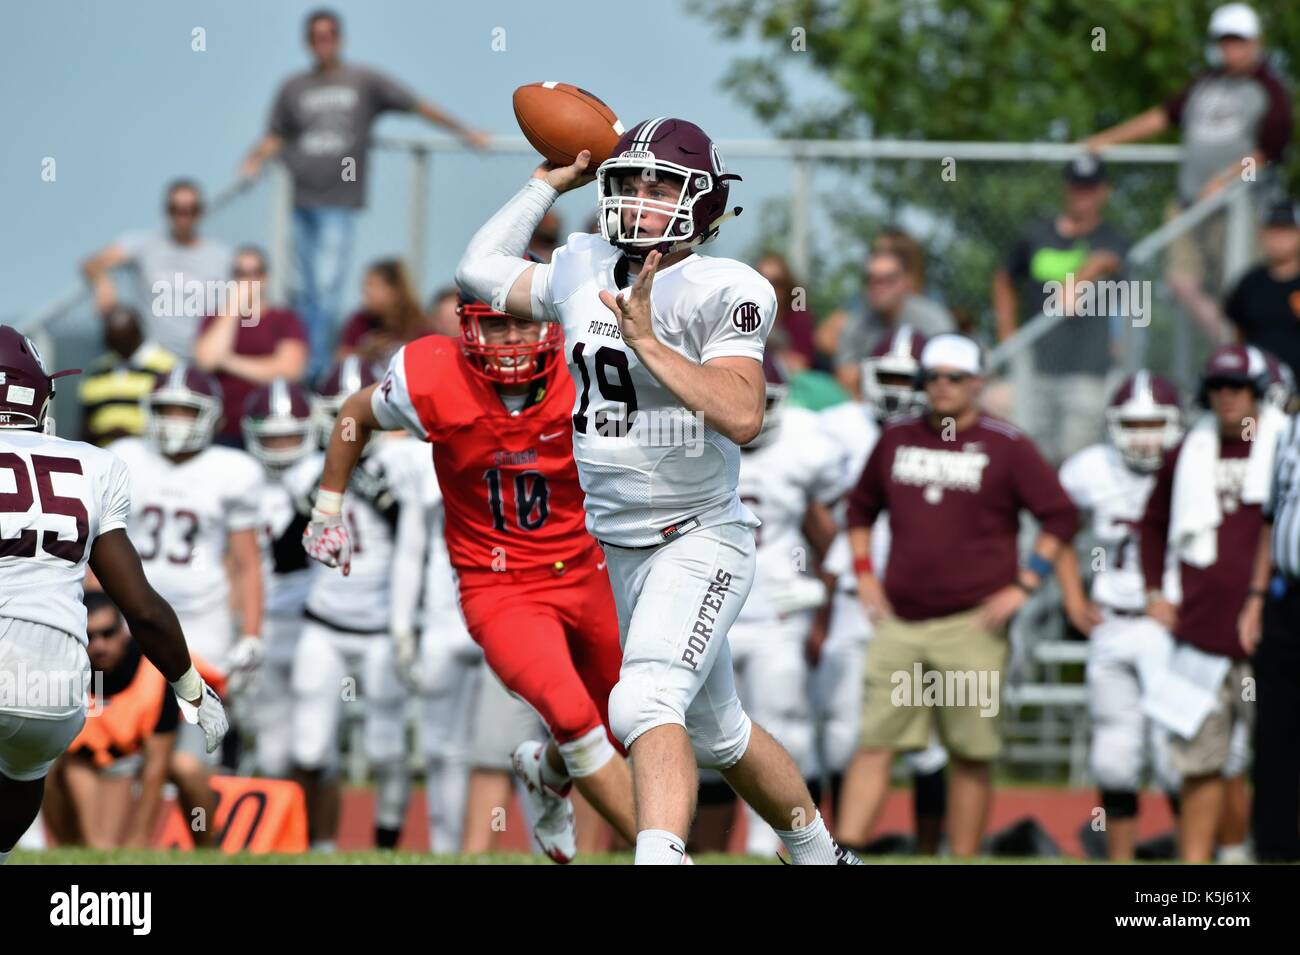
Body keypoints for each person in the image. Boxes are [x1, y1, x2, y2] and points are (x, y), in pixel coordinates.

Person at [455, 117, 859, 865]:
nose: (641, 198)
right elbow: (478, 271)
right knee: (722, 732)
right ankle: (821, 855)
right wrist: (544, 184)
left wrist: (648, 342)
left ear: (704, 201)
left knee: (642, 699)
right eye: (632, 181)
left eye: (662, 184)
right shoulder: (582, 264)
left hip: (701, 533)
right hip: (621, 544)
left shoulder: (727, 286)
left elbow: (741, 411)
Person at [303, 294, 638, 863]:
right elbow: (356, 414)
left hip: (586, 571)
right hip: (498, 584)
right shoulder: (433, 377)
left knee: (623, 720)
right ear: (467, 329)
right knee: (572, 715)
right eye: (496, 326)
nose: (510, 340)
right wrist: (327, 508)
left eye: (522, 324)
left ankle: (546, 772)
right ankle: (666, 856)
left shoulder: (592, 369)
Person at [839, 333, 1079, 857]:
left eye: (954, 377)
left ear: (978, 382)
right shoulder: (897, 437)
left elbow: (1061, 515)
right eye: (932, 376)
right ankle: (844, 853)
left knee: (970, 751)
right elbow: (859, 508)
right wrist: (864, 574)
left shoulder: (1005, 444)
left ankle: (963, 858)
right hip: (900, 621)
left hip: (974, 623)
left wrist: (1025, 584)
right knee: (876, 742)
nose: (941, 387)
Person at [0, 325, 227, 866]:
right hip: (53, 695)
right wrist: (190, 687)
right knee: (20, 774)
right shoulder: (93, 465)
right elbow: (142, 608)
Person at [239, 8, 489, 376]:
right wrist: (254, 160)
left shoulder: (363, 81)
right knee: (306, 291)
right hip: (300, 199)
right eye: (315, 37)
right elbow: (276, 134)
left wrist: (465, 132)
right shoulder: (294, 87)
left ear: (339, 39)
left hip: (338, 201)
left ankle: (315, 372)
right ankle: (310, 365)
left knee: (326, 288)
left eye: (328, 35)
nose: (322, 43)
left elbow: (415, 104)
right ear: (308, 42)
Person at [1140, 344, 1284, 862]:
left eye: (1238, 388)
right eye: (1218, 387)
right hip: (1199, 632)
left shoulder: (1284, 447)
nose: (1227, 398)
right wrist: (1154, 591)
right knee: (1200, 761)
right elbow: (1152, 523)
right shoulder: (1187, 451)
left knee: (1275, 760)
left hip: (1271, 633)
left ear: (1257, 393)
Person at [106, 366, 264, 822]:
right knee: (118, 752)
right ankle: (113, 845)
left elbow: (246, 562)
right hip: (129, 620)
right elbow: (99, 549)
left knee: (188, 758)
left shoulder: (232, 470)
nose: (175, 419)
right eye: (166, 409)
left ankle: (201, 843)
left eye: (186, 410)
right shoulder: (125, 458)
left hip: (202, 627)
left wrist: (250, 633)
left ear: (209, 416)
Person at [818, 326, 950, 855]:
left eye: (907, 378)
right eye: (887, 376)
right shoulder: (833, 428)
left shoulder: (944, 434)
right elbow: (813, 504)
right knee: (841, 733)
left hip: (919, 600)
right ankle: (831, 847)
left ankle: (932, 849)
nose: (896, 389)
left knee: (926, 741)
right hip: (853, 594)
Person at [284, 357, 420, 850]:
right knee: (309, 745)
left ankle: (386, 847)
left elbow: (420, 547)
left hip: (384, 628)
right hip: (323, 624)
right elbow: (282, 554)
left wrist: (389, 503)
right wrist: (311, 509)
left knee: (386, 749)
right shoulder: (304, 471)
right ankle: (309, 845)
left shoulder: (405, 465)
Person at [1084, 4, 1291, 312]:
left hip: (1239, 209)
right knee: (1181, 283)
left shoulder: (1270, 91)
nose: (1231, 48)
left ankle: (1239, 353)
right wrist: (1105, 140)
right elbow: (1162, 116)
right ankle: (1224, 348)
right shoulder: (1204, 84)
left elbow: (1268, 153)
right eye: (1226, 40)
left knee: (1236, 290)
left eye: (1238, 40)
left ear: (1255, 43)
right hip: (1189, 203)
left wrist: (1225, 181)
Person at [1055, 371, 1185, 861]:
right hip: (1112, 620)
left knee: (1175, 757)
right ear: (1113, 426)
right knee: (1113, 760)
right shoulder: (1091, 469)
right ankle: (1121, 862)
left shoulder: (1191, 463)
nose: (1145, 436)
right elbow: (1056, 527)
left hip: (1173, 626)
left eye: (1155, 424)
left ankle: (1200, 855)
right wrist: (1072, 595)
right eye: (1134, 425)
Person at [725, 368, 851, 854]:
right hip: (714, 614)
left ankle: (770, 843)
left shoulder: (801, 452)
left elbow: (830, 541)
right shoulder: (699, 441)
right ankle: (702, 844)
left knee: (785, 727)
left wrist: (820, 606)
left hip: (777, 616)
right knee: (702, 740)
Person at [993, 155, 1130, 463]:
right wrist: (1007, 335)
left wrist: (1078, 279)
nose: (1082, 195)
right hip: (1037, 363)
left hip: (1087, 368)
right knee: (1028, 453)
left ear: (1104, 191)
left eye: (1090, 188)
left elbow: (1109, 259)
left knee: (1076, 454)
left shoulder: (1112, 236)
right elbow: (1004, 278)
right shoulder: (1036, 234)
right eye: (1076, 187)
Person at [44, 592, 182, 848]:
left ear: (124, 632)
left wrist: (139, 838)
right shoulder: (62, 668)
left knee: (106, 847)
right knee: (46, 767)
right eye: (90, 636)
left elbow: (156, 767)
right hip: (82, 762)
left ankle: (206, 840)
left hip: (127, 760)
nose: (99, 646)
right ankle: (64, 849)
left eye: (107, 633)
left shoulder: (153, 670)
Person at [240, 380, 317, 778]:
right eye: (271, 439)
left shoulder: (325, 474)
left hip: (314, 623)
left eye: (289, 438)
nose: (281, 448)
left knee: (313, 748)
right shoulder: (241, 478)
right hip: (264, 622)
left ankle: (319, 839)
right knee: (268, 746)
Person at [1241, 388, 1300, 861]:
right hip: (1285, 601)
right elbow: (1270, 518)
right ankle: (1274, 850)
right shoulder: (1288, 428)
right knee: (1274, 734)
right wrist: (1255, 598)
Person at [81, 180, 232, 360]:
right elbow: (91, 263)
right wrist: (102, 282)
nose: (183, 217)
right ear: (166, 211)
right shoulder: (143, 245)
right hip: (153, 359)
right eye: (176, 209)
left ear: (200, 212)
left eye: (190, 210)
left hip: (201, 360)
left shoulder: (223, 257)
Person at [194, 246, 309, 447]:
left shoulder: (285, 319)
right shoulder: (215, 318)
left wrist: (227, 360)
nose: (246, 280)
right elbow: (206, 361)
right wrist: (233, 308)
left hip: (272, 431)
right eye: (240, 274)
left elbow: (289, 371)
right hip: (222, 431)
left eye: (253, 273)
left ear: (265, 277)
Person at [833, 248, 955, 399]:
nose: (879, 286)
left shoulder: (932, 320)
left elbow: (949, 376)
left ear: (905, 282)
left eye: (888, 279)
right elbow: (846, 379)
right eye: (872, 279)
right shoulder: (855, 324)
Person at [77, 304, 176, 447]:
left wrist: (130, 436)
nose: (118, 346)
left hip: (150, 458)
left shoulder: (167, 369)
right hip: (103, 454)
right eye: (113, 341)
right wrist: (105, 434)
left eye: (123, 339)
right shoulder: (97, 372)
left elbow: (174, 421)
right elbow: (84, 426)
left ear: (137, 333)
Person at [1224, 201, 1300, 379]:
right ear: (1262, 235)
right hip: (1259, 387)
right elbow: (1238, 336)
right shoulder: (1249, 283)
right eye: (1273, 230)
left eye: (1286, 230)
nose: (1279, 238)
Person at [336, 259, 430, 365]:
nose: (366, 291)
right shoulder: (359, 320)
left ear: (393, 291)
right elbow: (341, 358)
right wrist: (364, 353)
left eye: (372, 285)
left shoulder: (419, 325)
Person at [755, 253, 826, 373]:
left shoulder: (799, 318)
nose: (770, 288)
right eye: (763, 281)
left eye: (776, 283)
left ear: (787, 285)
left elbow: (801, 366)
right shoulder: (745, 316)